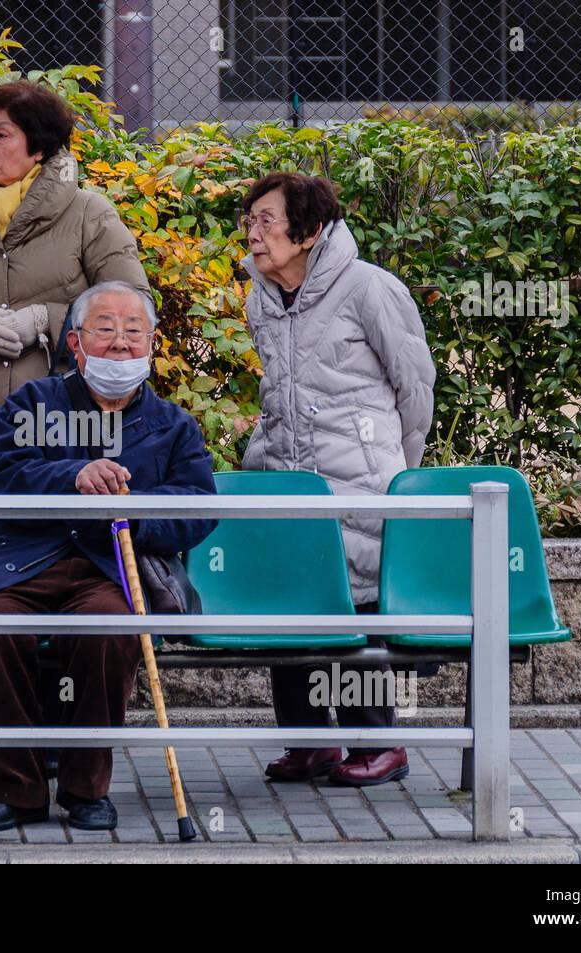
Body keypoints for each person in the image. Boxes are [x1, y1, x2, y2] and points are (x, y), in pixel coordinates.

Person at [0, 281, 216, 833]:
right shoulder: (33, 404)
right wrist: (72, 476)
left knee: (110, 628)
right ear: (75, 341)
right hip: (19, 561)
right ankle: (15, 788)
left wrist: (134, 510)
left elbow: (198, 507)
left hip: (110, 566)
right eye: (105, 329)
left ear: (150, 344)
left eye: (133, 331)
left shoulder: (172, 424)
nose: (120, 343)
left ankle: (84, 787)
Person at [237, 172, 435, 787]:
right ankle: (310, 742)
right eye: (251, 220)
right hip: (289, 474)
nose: (254, 231)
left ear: (310, 230)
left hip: (364, 475)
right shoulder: (260, 298)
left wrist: (390, 468)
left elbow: (416, 385)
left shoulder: (369, 287)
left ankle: (380, 743)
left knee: (361, 598)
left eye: (267, 220)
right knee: (292, 600)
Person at [0, 80, 149, 495]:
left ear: (38, 148)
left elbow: (136, 311)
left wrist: (46, 322)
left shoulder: (89, 214)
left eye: (3, 135)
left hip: (68, 448)